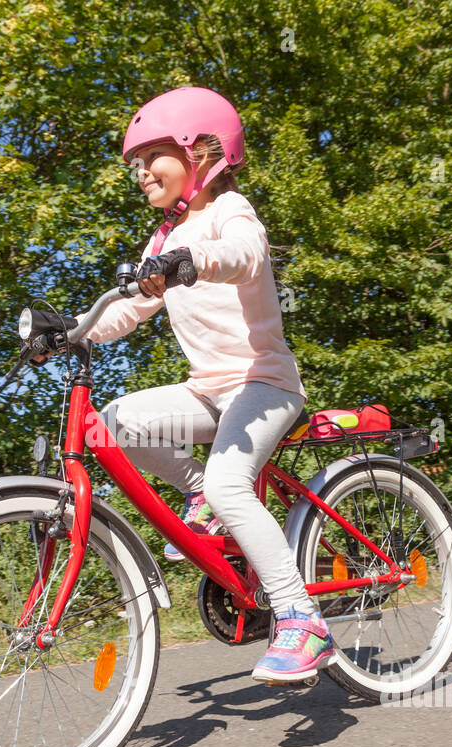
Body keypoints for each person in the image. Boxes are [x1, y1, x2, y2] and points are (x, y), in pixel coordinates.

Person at [84, 86, 335, 684]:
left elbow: (245, 253)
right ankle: (202, 496)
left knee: (232, 481)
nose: (141, 172)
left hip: (264, 384)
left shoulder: (228, 212)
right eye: (136, 164)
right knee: (113, 422)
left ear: (198, 152)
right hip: (209, 390)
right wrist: (75, 330)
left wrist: (194, 261)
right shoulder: (163, 239)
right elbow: (126, 311)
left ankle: (303, 620)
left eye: (153, 157)